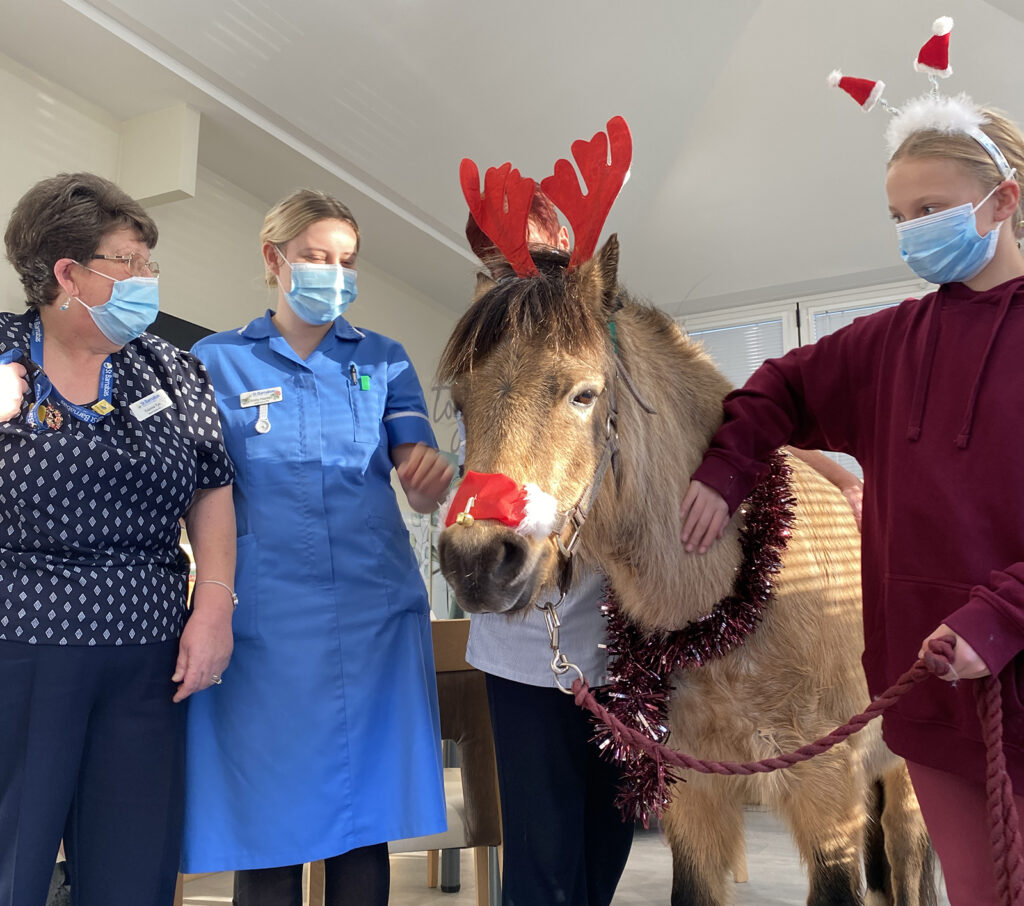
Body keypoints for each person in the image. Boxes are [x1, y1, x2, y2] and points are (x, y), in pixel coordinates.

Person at [678, 95, 1024, 906]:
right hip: (932, 699)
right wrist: (723, 474)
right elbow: (774, 388)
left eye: (930, 210)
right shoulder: (889, 342)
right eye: (898, 216)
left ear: (1003, 201)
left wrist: (998, 618)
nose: (911, 232)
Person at [181, 189, 452, 906]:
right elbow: (197, 491)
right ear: (275, 260)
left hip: (374, 617)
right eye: (316, 257)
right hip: (265, 624)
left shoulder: (384, 361)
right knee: (267, 824)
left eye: (346, 260)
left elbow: (418, 485)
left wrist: (428, 482)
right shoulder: (215, 362)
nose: (334, 272)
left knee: (365, 824)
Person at [0, 172, 236, 906]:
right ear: (66, 273)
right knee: (12, 859)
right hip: (22, 647)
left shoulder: (171, 368)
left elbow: (212, 489)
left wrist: (213, 609)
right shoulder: (3, 352)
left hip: (147, 652)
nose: (145, 280)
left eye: (147, 263)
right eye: (127, 263)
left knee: (132, 869)